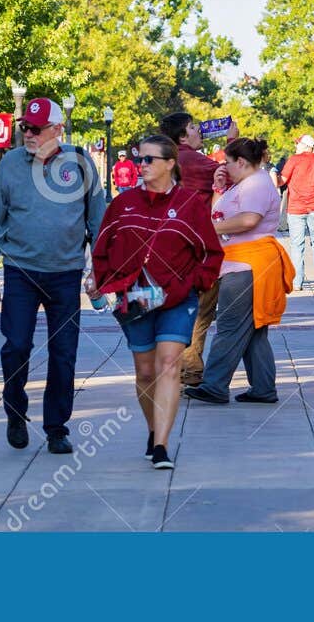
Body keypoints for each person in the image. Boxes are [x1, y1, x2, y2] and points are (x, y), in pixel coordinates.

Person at [0, 96, 107, 455]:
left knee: (64, 352)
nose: (29, 134)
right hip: (21, 271)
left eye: (36, 129)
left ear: (58, 130)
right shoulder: (10, 165)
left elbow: (97, 220)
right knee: (17, 345)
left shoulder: (80, 163)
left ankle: (56, 428)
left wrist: (99, 267)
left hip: (66, 274)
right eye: (25, 128)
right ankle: (15, 411)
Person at [91, 133, 223, 469]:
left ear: (169, 164)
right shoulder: (123, 204)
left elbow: (210, 252)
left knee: (169, 364)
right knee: (145, 370)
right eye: (139, 159)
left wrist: (197, 283)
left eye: (149, 159)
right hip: (133, 299)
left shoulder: (191, 205)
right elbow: (102, 247)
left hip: (178, 299)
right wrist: (103, 280)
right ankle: (153, 430)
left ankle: (162, 446)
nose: (141, 165)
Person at [183, 137, 293, 406]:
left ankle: (214, 385)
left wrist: (206, 232)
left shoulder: (256, 183)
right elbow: (218, 216)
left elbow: (248, 220)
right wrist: (219, 189)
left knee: (230, 327)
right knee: (254, 330)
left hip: (247, 265)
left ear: (241, 162)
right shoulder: (243, 184)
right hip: (240, 263)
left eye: (228, 163)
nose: (224, 167)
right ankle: (263, 388)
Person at [163, 110, 229, 387]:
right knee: (201, 311)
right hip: (197, 249)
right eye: (192, 127)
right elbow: (233, 174)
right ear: (181, 136)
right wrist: (232, 143)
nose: (199, 130)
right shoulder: (191, 159)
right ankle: (189, 368)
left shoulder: (166, 159)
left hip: (170, 246)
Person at [279, 134, 314, 289]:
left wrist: (273, 174)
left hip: (295, 209)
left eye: (298, 144)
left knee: (297, 245)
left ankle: (296, 283)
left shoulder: (293, 160)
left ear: (305, 145)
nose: (296, 146)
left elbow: (282, 181)